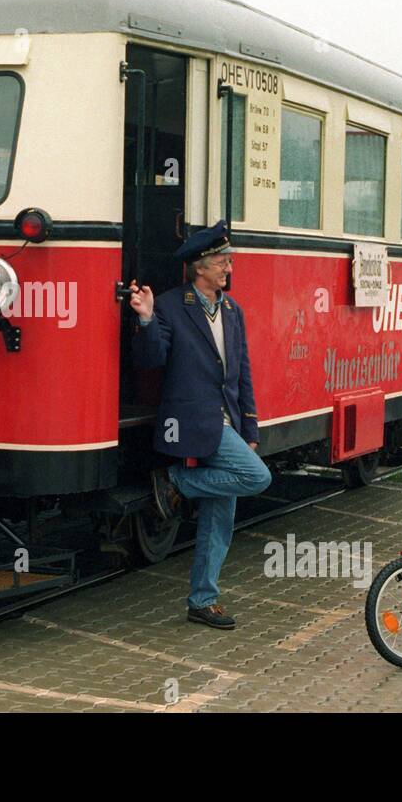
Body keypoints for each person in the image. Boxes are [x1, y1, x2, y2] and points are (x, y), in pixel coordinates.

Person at [128, 221, 272, 630]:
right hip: (193, 420)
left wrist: (251, 429)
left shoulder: (232, 311)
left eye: (228, 261)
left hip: (227, 422)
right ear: (201, 267)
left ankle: (202, 600)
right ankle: (174, 483)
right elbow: (150, 359)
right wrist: (146, 319)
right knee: (257, 477)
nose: (229, 267)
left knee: (219, 520)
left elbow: (241, 373)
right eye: (222, 261)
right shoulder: (173, 306)